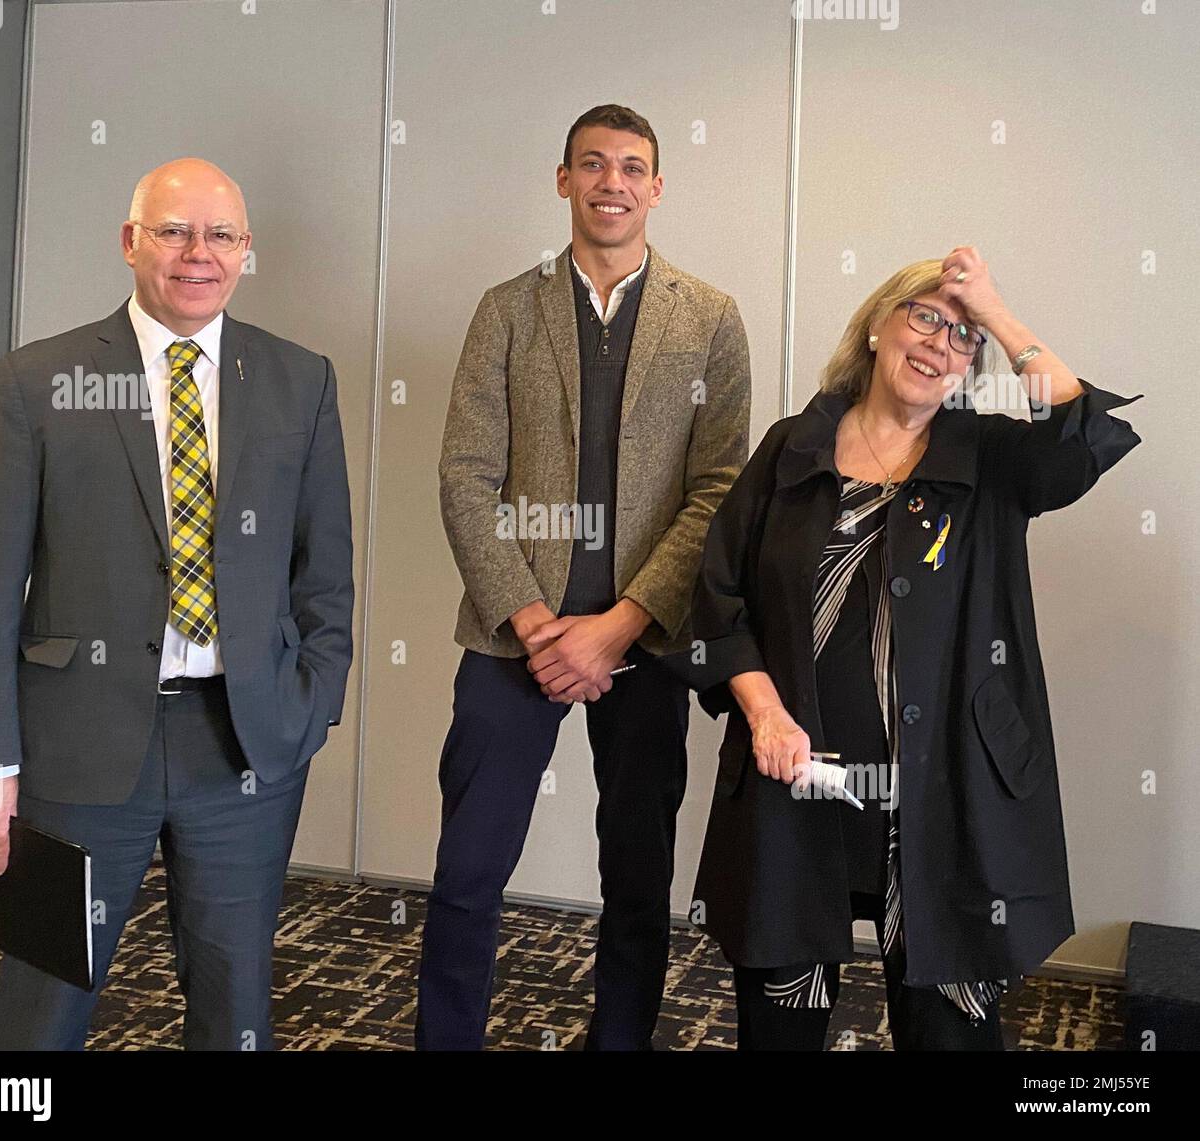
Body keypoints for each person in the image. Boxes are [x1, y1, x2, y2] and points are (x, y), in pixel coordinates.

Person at [0, 157, 354, 1050]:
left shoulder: (300, 380)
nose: (197, 254)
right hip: (76, 744)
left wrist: (309, 704)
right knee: (42, 1006)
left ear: (248, 251)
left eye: (221, 235)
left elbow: (325, 575)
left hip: (244, 744)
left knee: (236, 1003)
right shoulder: (37, 380)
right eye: (174, 231)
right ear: (131, 242)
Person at [687, 246, 1142, 1050]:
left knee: (950, 1032)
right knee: (778, 1021)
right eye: (923, 316)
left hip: (946, 796)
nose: (940, 341)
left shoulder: (990, 458)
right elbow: (719, 603)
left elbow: (1084, 439)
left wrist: (997, 313)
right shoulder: (793, 449)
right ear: (874, 327)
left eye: (962, 335)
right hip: (796, 786)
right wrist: (763, 714)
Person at [417, 104, 751, 1050]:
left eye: (632, 167)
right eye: (592, 164)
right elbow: (465, 476)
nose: (612, 181)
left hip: (644, 640)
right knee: (467, 872)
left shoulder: (711, 318)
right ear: (562, 180)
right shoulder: (506, 310)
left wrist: (620, 621)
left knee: (637, 879)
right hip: (509, 636)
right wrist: (531, 619)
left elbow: (719, 488)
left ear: (657, 188)